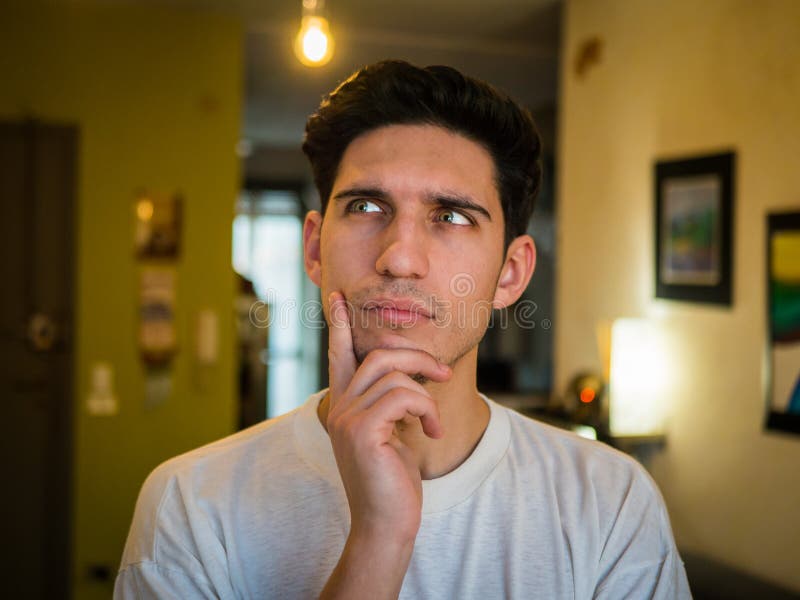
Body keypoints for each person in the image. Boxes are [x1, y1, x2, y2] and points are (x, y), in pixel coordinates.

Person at [115, 60, 691, 599]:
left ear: (510, 274)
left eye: (452, 217)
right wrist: (378, 538)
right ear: (314, 248)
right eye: (367, 207)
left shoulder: (610, 503)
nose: (399, 258)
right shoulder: (191, 504)